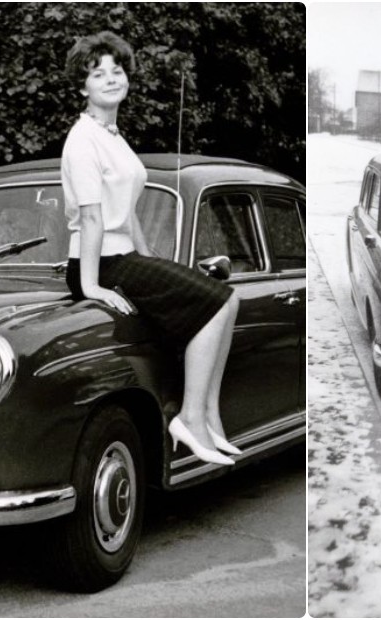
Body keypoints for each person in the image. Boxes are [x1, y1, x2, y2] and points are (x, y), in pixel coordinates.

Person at [61, 31, 240, 467]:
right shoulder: (83, 139)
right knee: (216, 303)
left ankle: (210, 417)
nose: (110, 78)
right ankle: (189, 418)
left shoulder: (113, 136)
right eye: (97, 73)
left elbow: (128, 212)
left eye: (117, 70)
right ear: (82, 87)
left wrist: (149, 258)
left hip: (122, 257)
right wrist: (91, 287)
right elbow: (91, 218)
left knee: (230, 299)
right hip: (99, 263)